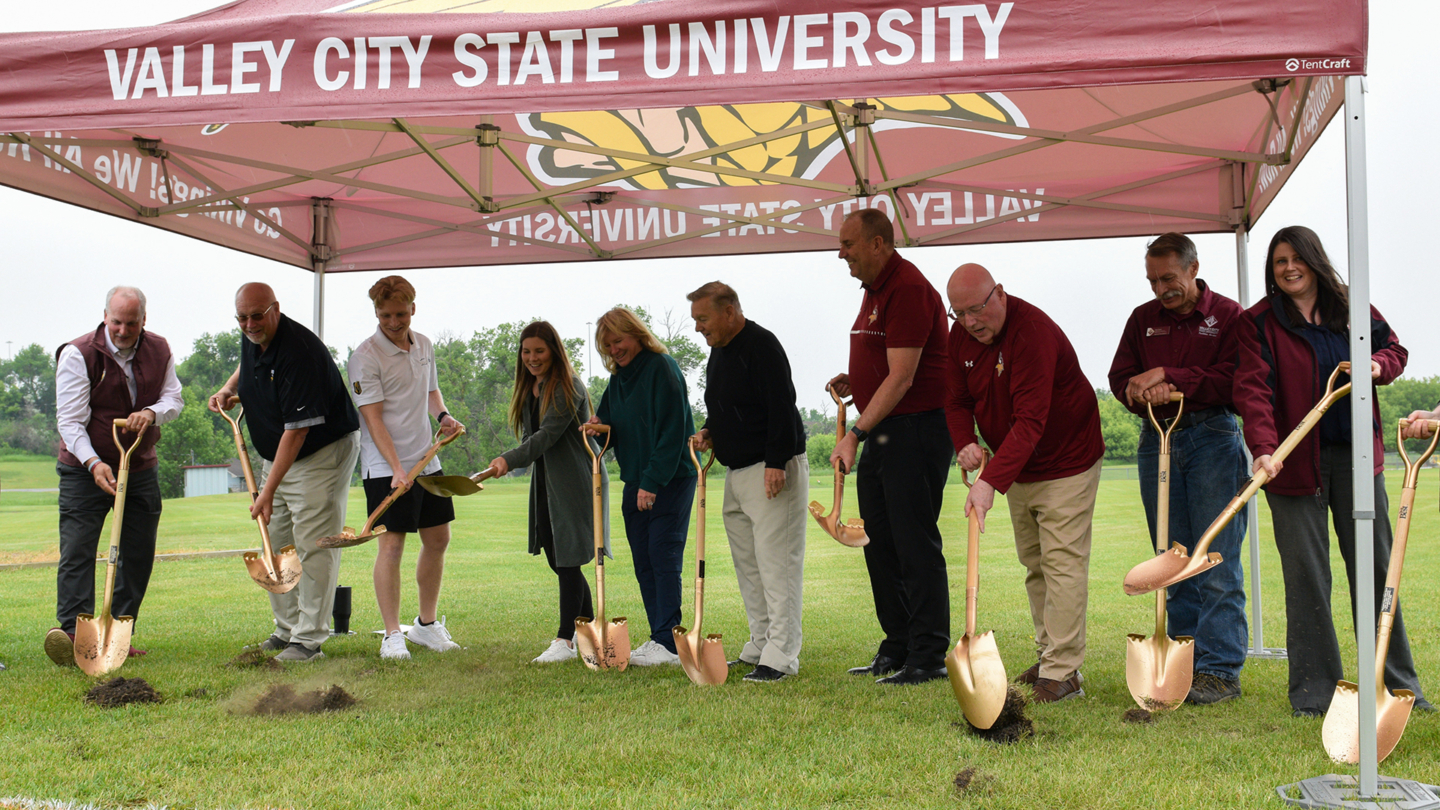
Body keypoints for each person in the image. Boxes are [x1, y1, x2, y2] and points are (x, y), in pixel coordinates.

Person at [1235, 225, 1432, 717]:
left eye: (1295, 258)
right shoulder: (1258, 321)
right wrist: (1263, 449)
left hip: (1358, 460)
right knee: (1305, 575)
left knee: (1377, 571)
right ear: (1272, 271)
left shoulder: (1352, 307)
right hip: (1291, 462)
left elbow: (1396, 351)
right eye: (1279, 262)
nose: (1288, 268)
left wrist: (1376, 367)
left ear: (1314, 259)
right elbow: (1253, 391)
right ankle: (1315, 693)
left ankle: (1396, 684)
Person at [1107, 233, 1263, 705]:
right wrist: (1139, 392)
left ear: (1194, 268)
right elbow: (1119, 378)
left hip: (1214, 437)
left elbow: (1239, 382)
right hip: (1157, 438)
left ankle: (1220, 670)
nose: (1161, 289)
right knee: (1171, 556)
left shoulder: (1231, 316)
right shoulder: (1141, 320)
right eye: (1153, 280)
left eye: (1169, 278)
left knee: (1214, 555)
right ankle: (1183, 660)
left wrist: (1173, 380)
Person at [946, 264, 1104, 703]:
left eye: (976, 309)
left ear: (999, 293)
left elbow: (1031, 422)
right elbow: (956, 399)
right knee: (1035, 562)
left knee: (1061, 563)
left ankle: (1064, 671)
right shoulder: (959, 337)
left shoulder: (1032, 332)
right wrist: (965, 442)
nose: (969, 322)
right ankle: (1050, 653)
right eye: (957, 313)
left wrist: (988, 483)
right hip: (1019, 467)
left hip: (1066, 460)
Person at [828, 208, 953, 686]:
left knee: (913, 542)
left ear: (878, 244)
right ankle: (898, 643)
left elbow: (903, 377)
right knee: (878, 541)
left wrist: (854, 433)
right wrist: (858, 380)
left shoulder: (910, 289)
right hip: (886, 429)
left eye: (848, 245)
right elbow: (886, 363)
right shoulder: (874, 290)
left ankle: (928, 655)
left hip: (915, 431)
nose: (841, 254)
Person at [208, 283, 360, 663]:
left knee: (313, 544)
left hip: (320, 453)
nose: (249, 324)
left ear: (275, 309)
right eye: (242, 317)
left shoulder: (299, 352)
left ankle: (308, 641)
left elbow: (298, 431)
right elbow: (249, 364)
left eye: (257, 315)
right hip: (276, 452)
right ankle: (286, 630)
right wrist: (229, 388)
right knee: (276, 542)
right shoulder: (254, 337)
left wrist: (266, 492)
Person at [46, 286, 182, 667]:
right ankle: (75, 635)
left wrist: (152, 412)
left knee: (137, 553)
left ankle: (120, 631)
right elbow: (70, 421)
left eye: (132, 323)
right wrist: (94, 463)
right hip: (83, 468)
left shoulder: (160, 348)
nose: (123, 330)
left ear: (144, 320)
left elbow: (174, 398)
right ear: (105, 317)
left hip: (139, 466)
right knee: (78, 549)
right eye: (117, 322)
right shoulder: (78, 354)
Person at [688, 282, 808, 684]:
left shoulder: (762, 345)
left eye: (703, 319)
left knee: (778, 565)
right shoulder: (718, 354)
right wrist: (709, 431)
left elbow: (780, 404)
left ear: (730, 311)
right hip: (736, 472)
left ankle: (782, 656)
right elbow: (726, 405)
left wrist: (776, 461)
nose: (698, 329)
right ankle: (761, 642)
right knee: (749, 566)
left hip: (770, 468)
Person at [347, 276, 464, 660]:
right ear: (375, 313)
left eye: (400, 313)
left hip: (427, 459)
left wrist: (443, 416)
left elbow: (431, 392)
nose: (393, 322)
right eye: (385, 315)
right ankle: (392, 635)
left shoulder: (425, 345)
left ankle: (426, 626)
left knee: (438, 539)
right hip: (385, 467)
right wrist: (397, 469)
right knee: (392, 545)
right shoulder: (365, 357)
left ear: (413, 308)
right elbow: (373, 418)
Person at [488, 321, 609, 664]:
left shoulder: (567, 386)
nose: (532, 358)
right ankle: (587, 630)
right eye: (526, 352)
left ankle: (564, 639)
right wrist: (506, 461)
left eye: (539, 351)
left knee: (568, 558)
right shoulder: (531, 389)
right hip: (545, 483)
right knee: (558, 559)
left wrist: (508, 460)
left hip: (573, 481)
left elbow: (546, 437)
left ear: (554, 350)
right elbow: (532, 439)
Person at [582, 308, 696, 667]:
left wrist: (652, 483)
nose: (614, 349)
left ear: (636, 334)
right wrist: (597, 426)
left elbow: (673, 429)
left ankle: (668, 640)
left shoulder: (662, 367)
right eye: (607, 345)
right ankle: (659, 637)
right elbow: (610, 423)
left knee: (663, 555)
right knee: (644, 561)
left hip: (668, 478)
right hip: (636, 481)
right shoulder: (619, 379)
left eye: (619, 340)